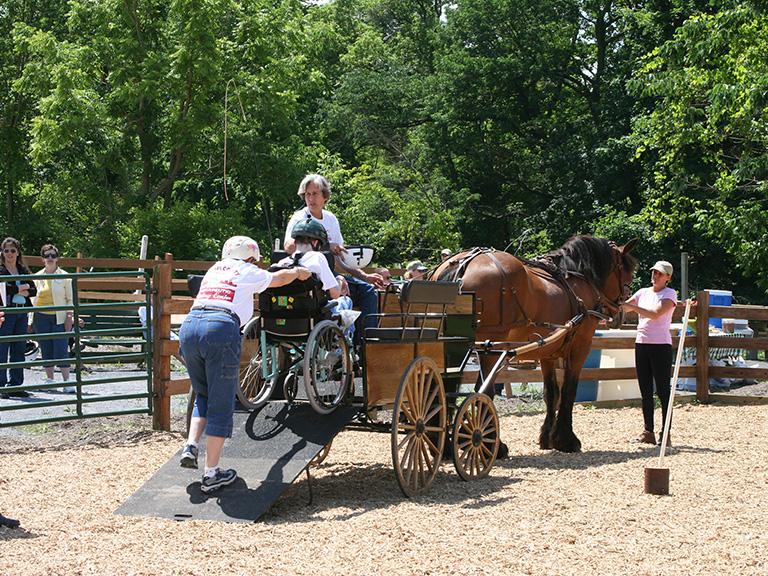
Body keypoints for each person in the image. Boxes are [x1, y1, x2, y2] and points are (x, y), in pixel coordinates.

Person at [179, 235, 311, 493]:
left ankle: (191, 445)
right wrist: (298, 273)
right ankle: (212, 474)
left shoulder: (215, 269)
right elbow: (277, 279)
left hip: (189, 328)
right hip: (220, 328)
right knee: (222, 401)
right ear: (251, 257)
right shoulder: (248, 269)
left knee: (203, 395)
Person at [283, 174, 384, 343]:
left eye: (315, 193)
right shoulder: (299, 217)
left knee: (368, 290)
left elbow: (341, 259)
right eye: (307, 194)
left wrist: (365, 276)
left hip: (330, 274)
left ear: (325, 197)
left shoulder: (331, 219)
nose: (310, 198)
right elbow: (289, 247)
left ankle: (365, 345)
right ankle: (342, 344)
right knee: (340, 293)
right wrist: (326, 246)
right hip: (309, 277)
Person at [622, 260, 678, 446]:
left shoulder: (670, 294)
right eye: (654, 272)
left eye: (660, 273)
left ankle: (666, 431)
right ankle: (648, 431)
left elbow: (655, 314)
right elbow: (623, 306)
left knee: (663, 391)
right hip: (642, 344)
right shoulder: (642, 292)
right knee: (645, 390)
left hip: (661, 346)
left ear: (668, 277)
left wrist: (633, 307)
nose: (655, 276)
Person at [32, 244, 75, 393]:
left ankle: (67, 382)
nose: (50, 258)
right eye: (47, 255)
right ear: (42, 259)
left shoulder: (65, 277)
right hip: (41, 317)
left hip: (59, 317)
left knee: (61, 348)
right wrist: (31, 320)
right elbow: (33, 299)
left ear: (57, 258)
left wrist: (70, 316)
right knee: (46, 348)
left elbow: (70, 299)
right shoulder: (36, 277)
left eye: (53, 255)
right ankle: (50, 380)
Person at [0, 238, 37, 399]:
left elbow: (34, 289)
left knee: (18, 348)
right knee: (2, 349)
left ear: (18, 252)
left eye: (12, 250)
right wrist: (21, 288)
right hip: (5, 313)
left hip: (21, 313)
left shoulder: (22, 269)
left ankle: (15, 384)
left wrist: (19, 289)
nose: (9, 254)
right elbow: (4, 289)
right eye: (6, 250)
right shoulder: (0, 270)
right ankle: (1, 386)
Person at [278, 218, 340, 299]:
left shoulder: (282, 263)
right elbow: (335, 294)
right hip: (313, 310)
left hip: (282, 309)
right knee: (346, 301)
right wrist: (340, 280)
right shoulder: (317, 257)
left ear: (295, 242)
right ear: (315, 243)